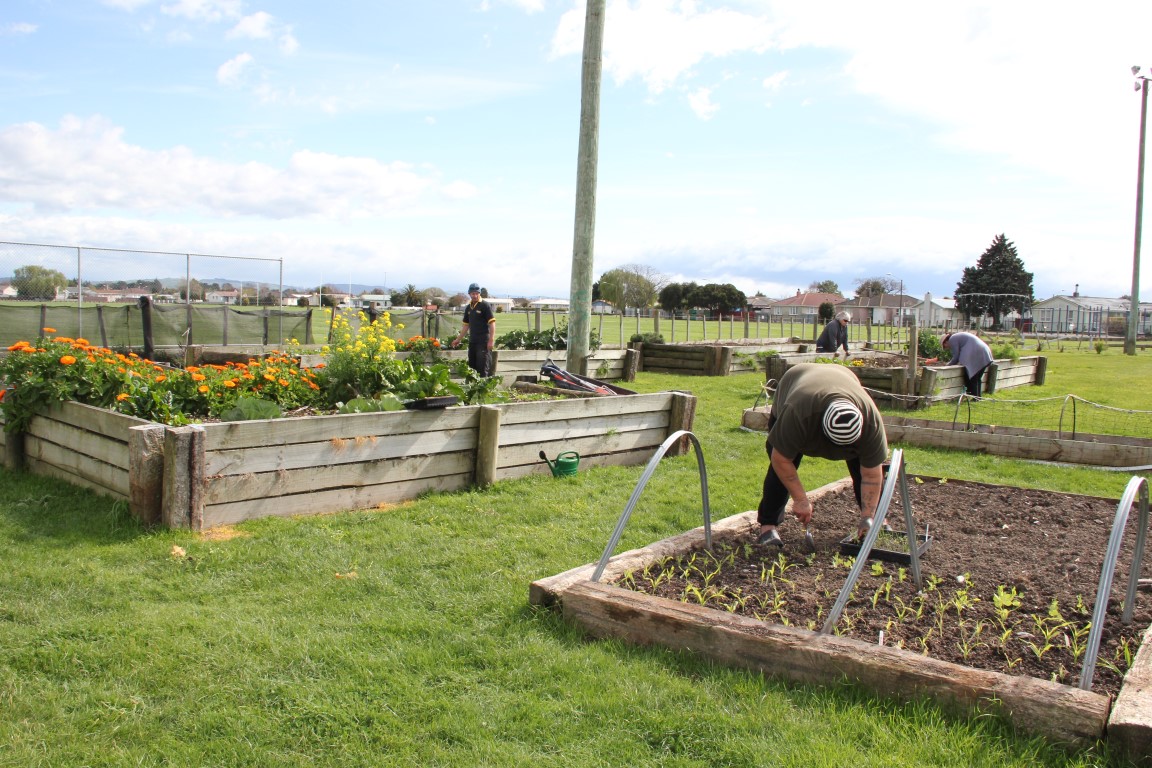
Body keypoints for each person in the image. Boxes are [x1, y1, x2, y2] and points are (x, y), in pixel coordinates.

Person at [756, 363, 889, 548]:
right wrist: (801, 500)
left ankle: (877, 521)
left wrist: (869, 516)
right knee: (782, 470)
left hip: (843, 376)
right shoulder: (798, 413)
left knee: (861, 467)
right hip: (796, 381)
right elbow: (780, 460)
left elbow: (872, 475)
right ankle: (768, 527)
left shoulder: (871, 423)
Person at [452, 283, 496, 377]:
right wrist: (458, 339)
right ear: (469, 294)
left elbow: (492, 323)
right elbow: (466, 326)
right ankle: (473, 390)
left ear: (479, 293)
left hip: (483, 342)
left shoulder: (485, 305)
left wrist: (491, 340)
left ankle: (484, 391)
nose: (475, 295)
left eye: (477, 293)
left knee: (483, 368)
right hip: (473, 342)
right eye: (473, 293)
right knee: (472, 368)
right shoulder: (468, 308)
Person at [941, 331, 993, 398]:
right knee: (977, 378)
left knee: (971, 377)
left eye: (944, 346)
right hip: (984, 352)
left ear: (945, 342)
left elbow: (956, 357)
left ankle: (974, 397)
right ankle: (977, 397)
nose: (947, 348)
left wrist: (947, 365)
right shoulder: (957, 337)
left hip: (977, 353)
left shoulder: (952, 339)